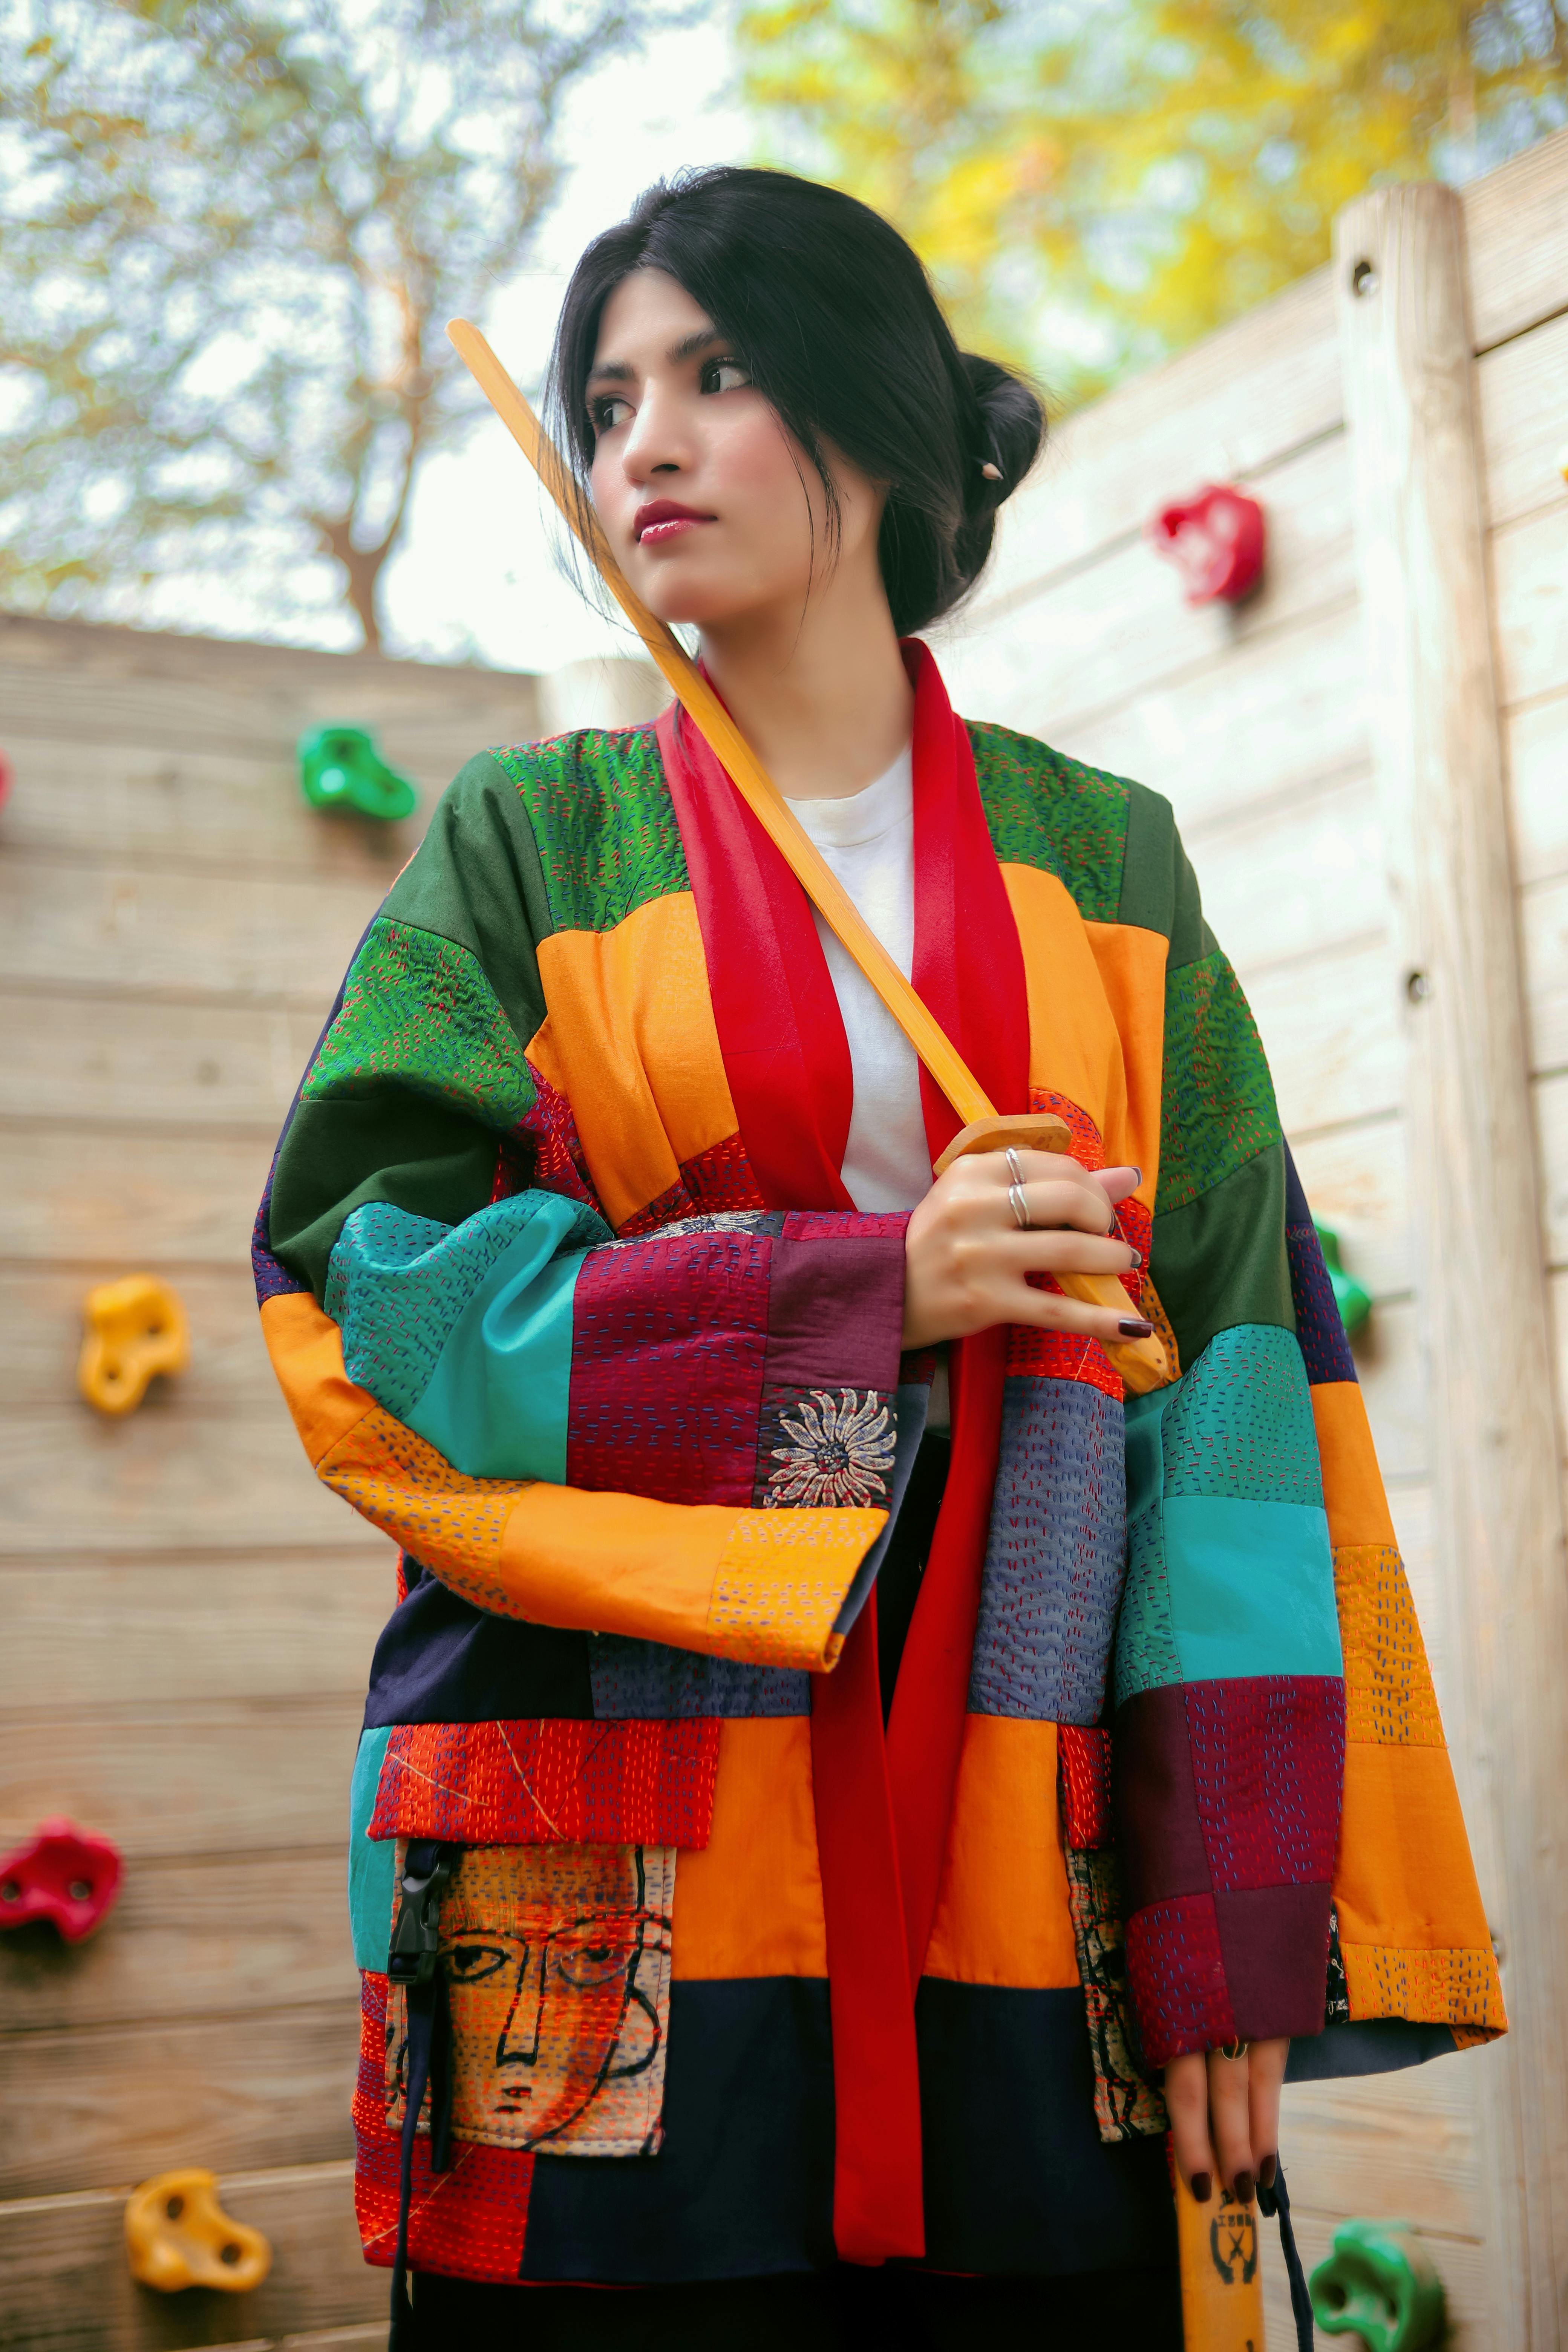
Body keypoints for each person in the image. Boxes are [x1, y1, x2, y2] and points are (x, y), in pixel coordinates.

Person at [254, 166, 1503, 2349]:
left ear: (880, 416)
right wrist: (857, 1298)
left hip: (1035, 1845)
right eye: (607, 398)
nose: (643, 441)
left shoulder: (1108, 866)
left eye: (717, 374)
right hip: (614, 1849)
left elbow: (1236, 1386)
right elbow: (370, 1287)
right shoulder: (528, 845)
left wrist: (1229, 1909)